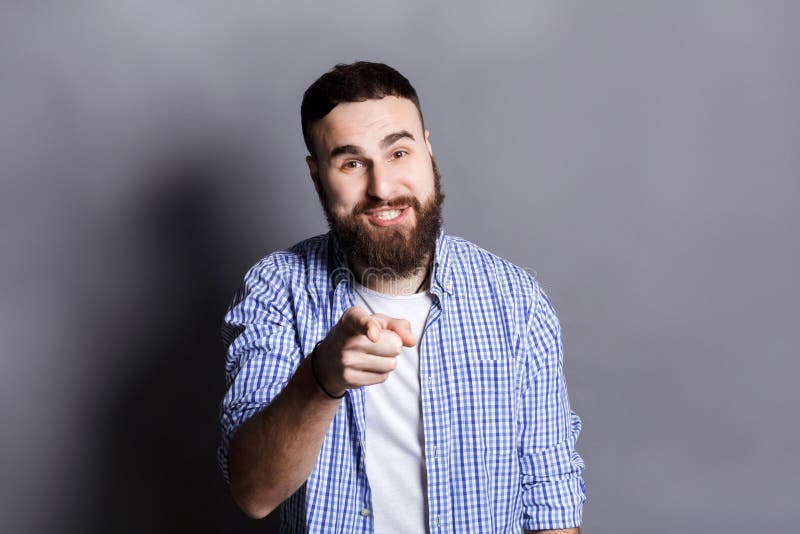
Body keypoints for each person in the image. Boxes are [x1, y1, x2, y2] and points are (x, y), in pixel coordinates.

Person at [218, 61, 586, 533]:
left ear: (428, 151)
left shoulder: (515, 301)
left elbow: (550, 493)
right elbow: (254, 492)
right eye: (352, 163)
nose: (382, 188)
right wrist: (320, 379)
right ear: (317, 177)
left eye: (398, 153)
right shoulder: (276, 290)